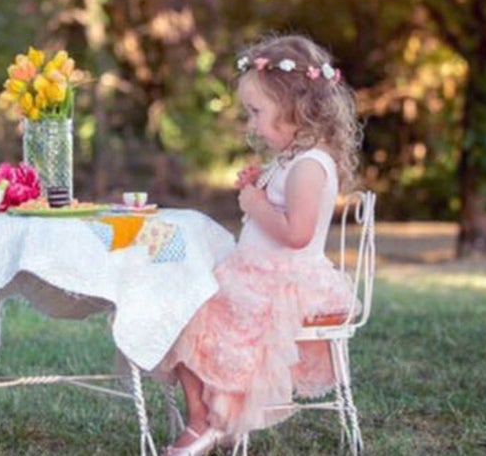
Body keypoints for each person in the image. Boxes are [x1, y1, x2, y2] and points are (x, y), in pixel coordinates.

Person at [153, 34, 364, 455]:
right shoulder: (291, 160)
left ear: (294, 107)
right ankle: (205, 416)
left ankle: (208, 420)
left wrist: (253, 202)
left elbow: (297, 233)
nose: (251, 125)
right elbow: (279, 212)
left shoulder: (309, 165)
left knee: (199, 310)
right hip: (259, 272)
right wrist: (260, 189)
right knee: (183, 303)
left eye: (256, 112)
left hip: (286, 284)